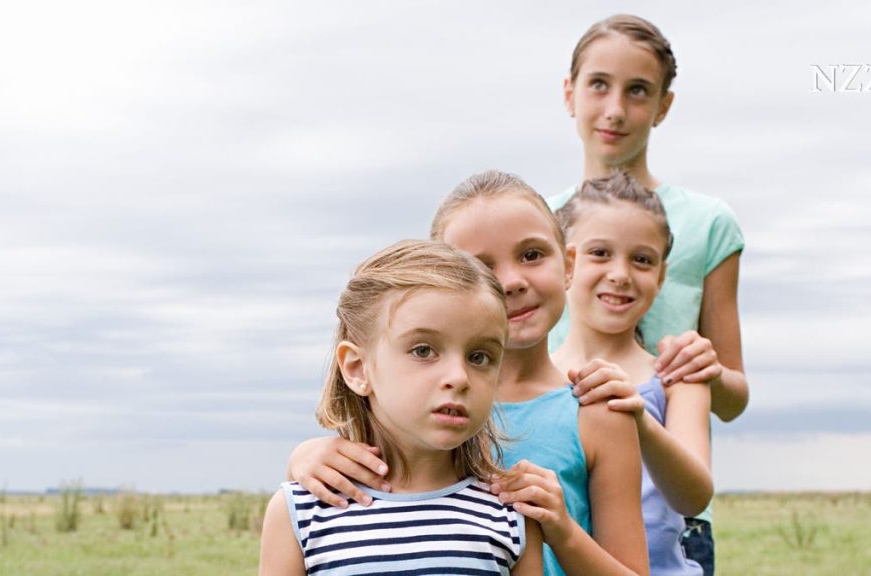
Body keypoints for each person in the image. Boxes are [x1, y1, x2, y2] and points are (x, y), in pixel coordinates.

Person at [287, 172, 649, 576]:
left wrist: (560, 530)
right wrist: (305, 458)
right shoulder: (421, 404)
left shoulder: (595, 410)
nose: (510, 282)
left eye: (531, 255)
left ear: (568, 264)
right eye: (480, 266)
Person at [548, 15, 749, 573]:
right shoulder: (536, 219)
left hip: (662, 504)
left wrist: (702, 371)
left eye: (638, 91)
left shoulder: (709, 224)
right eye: (598, 85)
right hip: (566, 501)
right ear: (570, 93)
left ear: (663, 105)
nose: (615, 109)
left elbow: (734, 394)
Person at [258, 239, 544, 576]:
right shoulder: (301, 512)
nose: (459, 377)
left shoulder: (511, 514)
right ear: (358, 369)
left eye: (479, 357)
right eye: (424, 350)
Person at [553, 171, 712, 575]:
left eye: (641, 259)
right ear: (565, 263)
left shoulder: (676, 376)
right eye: (600, 253)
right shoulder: (534, 378)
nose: (621, 274)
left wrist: (639, 417)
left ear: (660, 276)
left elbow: (693, 497)